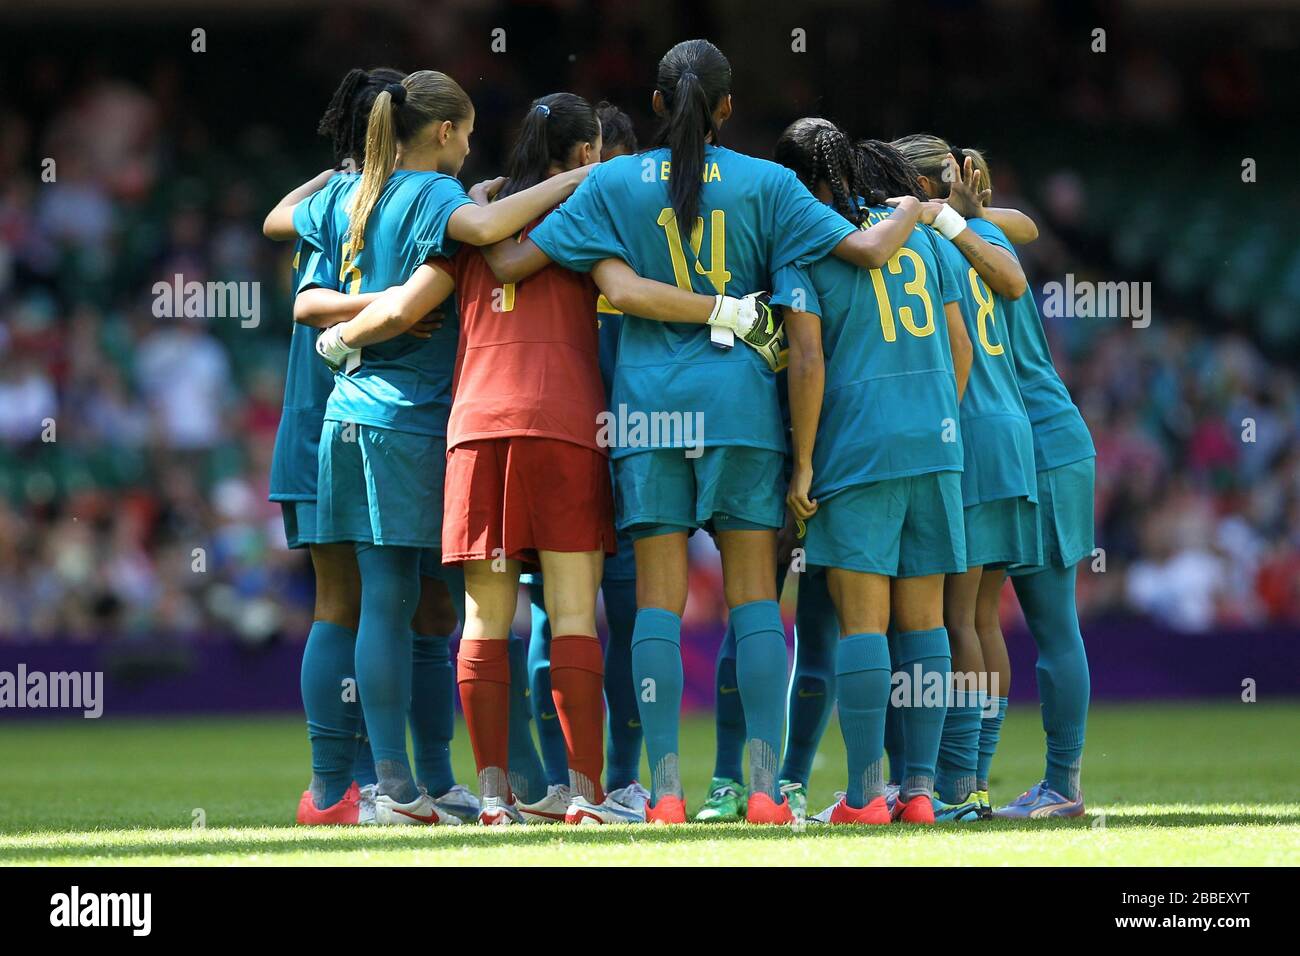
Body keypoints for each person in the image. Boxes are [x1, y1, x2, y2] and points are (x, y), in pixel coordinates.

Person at [483, 39, 940, 823]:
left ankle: (662, 794)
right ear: (727, 107)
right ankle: (764, 790)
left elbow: (509, 263)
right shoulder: (769, 183)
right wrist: (918, 208)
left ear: (657, 105)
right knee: (755, 601)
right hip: (741, 411)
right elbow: (861, 253)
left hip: (647, 411)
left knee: (656, 605)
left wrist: (530, 186)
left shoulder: (614, 182)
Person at [774, 121, 971, 825]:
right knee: (924, 627)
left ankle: (862, 798)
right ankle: (918, 793)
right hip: (935, 447)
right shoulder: (919, 234)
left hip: (858, 450)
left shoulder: (806, 246)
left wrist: (802, 463)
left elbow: (807, 360)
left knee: (863, 628)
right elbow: (958, 340)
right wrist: (935, 418)